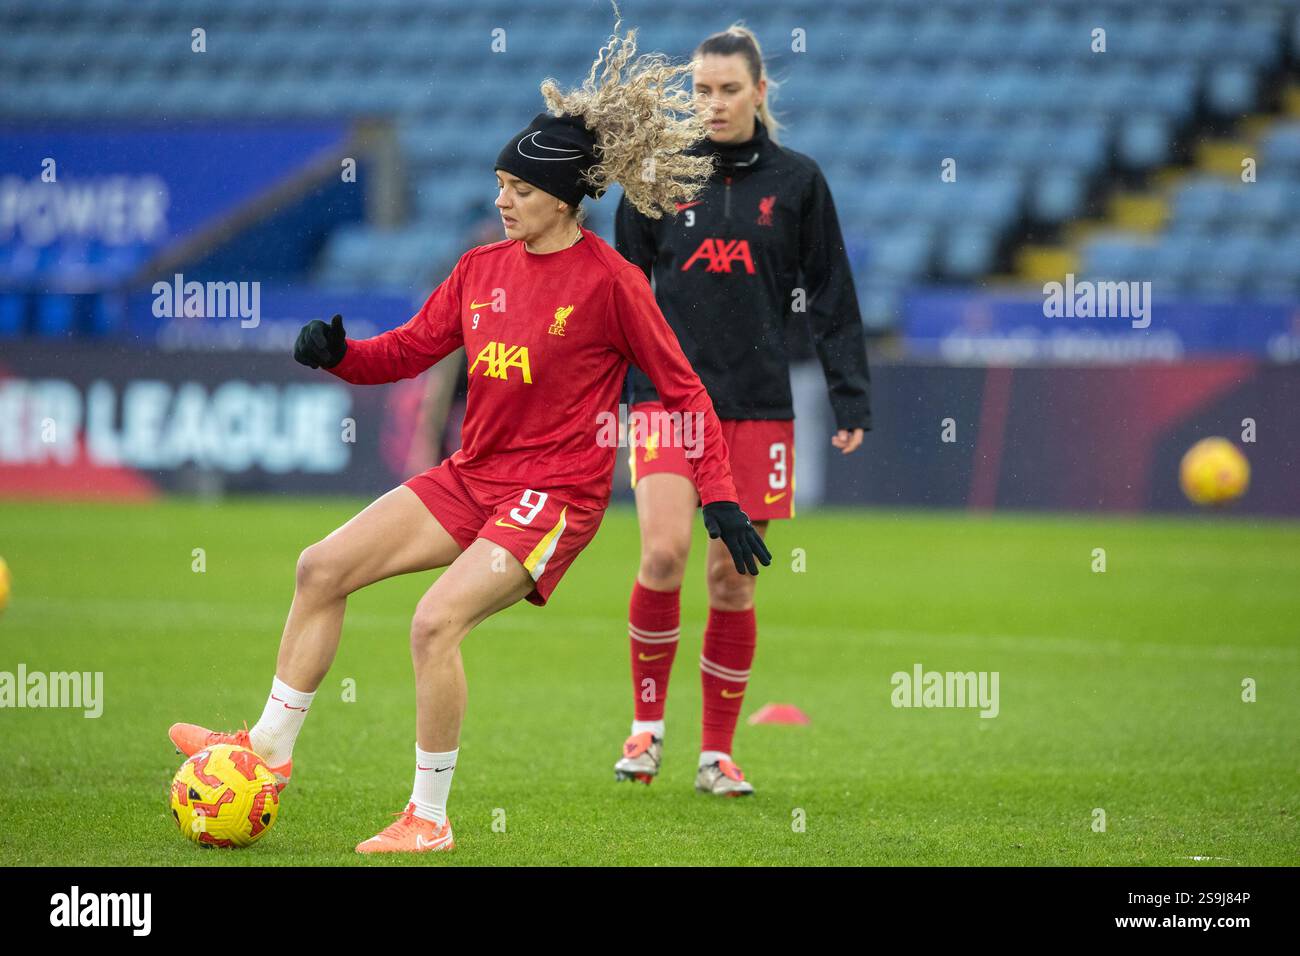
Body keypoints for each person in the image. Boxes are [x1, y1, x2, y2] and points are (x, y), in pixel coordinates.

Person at [167, 13, 770, 854]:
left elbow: (684, 393)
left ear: (561, 196)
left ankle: (430, 818)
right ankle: (267, 752)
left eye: (518, 189)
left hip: (553, 496)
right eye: (499, 185)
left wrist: (722, 500)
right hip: (472, 475)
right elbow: (411, 350)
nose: (502, 200)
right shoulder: (479, 268)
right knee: (321, 567)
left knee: (432, 622)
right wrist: (341, 355)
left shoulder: (614, 282)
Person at [611, 24, 872, 796]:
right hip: (666, 398)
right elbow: (619, 291)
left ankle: (716, 753)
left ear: (760, 92)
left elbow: (831, 291)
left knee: (733, 580)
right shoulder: (656, 175)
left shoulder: (798, 183)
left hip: (758, 405)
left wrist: (848, 390)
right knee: (662, 555)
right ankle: (647, 729)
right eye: (701, 89)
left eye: (729, 89)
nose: (714, 103)